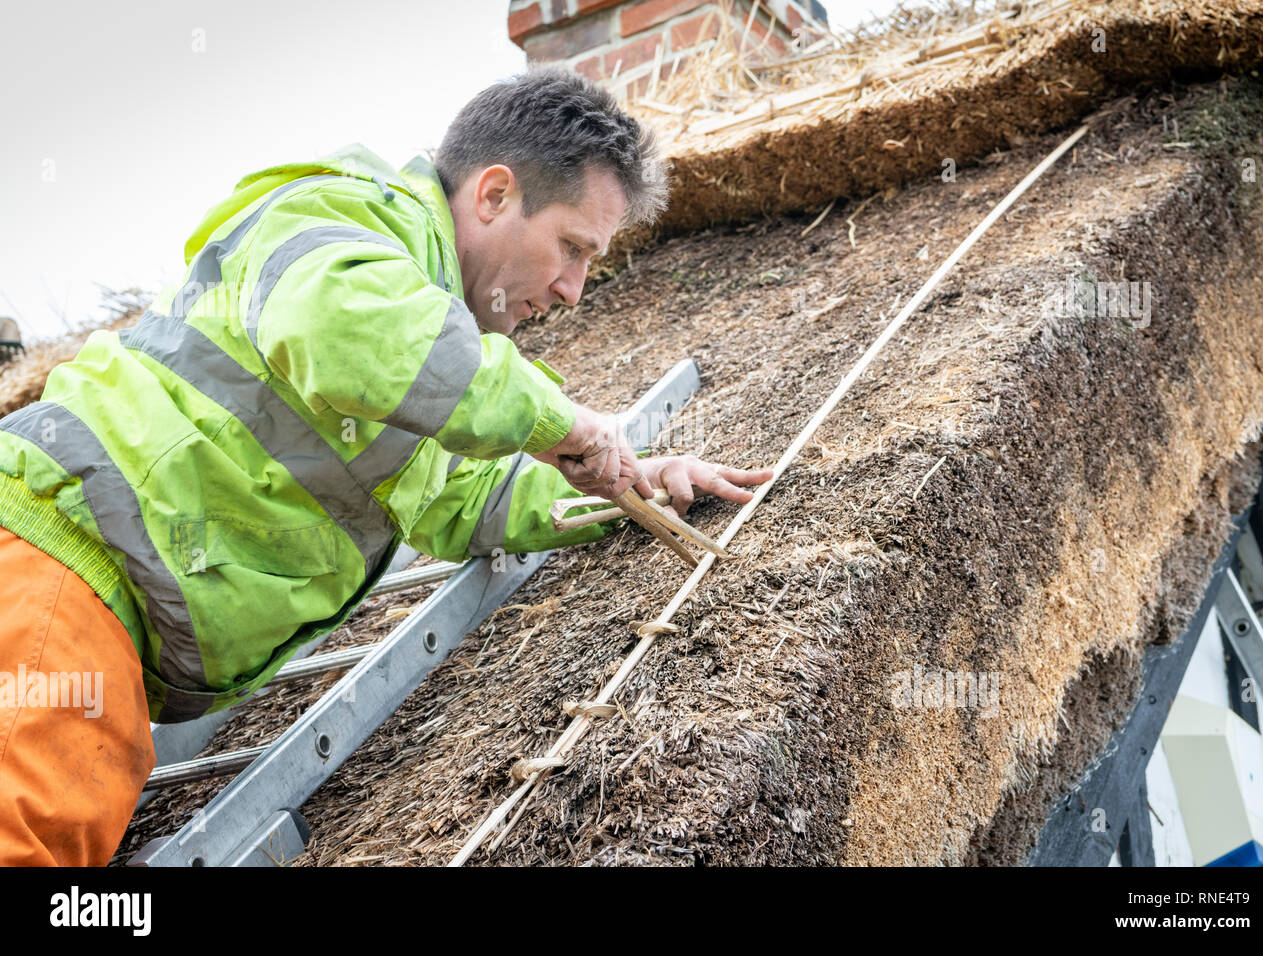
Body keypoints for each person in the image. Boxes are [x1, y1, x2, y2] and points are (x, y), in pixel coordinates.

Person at [0, 65, 772, 865]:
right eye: (572, 248)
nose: (575, 290)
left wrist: (633, 485)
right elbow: (346, 331)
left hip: (96, 622)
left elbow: (464, 496)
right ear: (494, 195)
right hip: (56, 575)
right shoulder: (347, 215)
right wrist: (559, 417)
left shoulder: (425, 360)